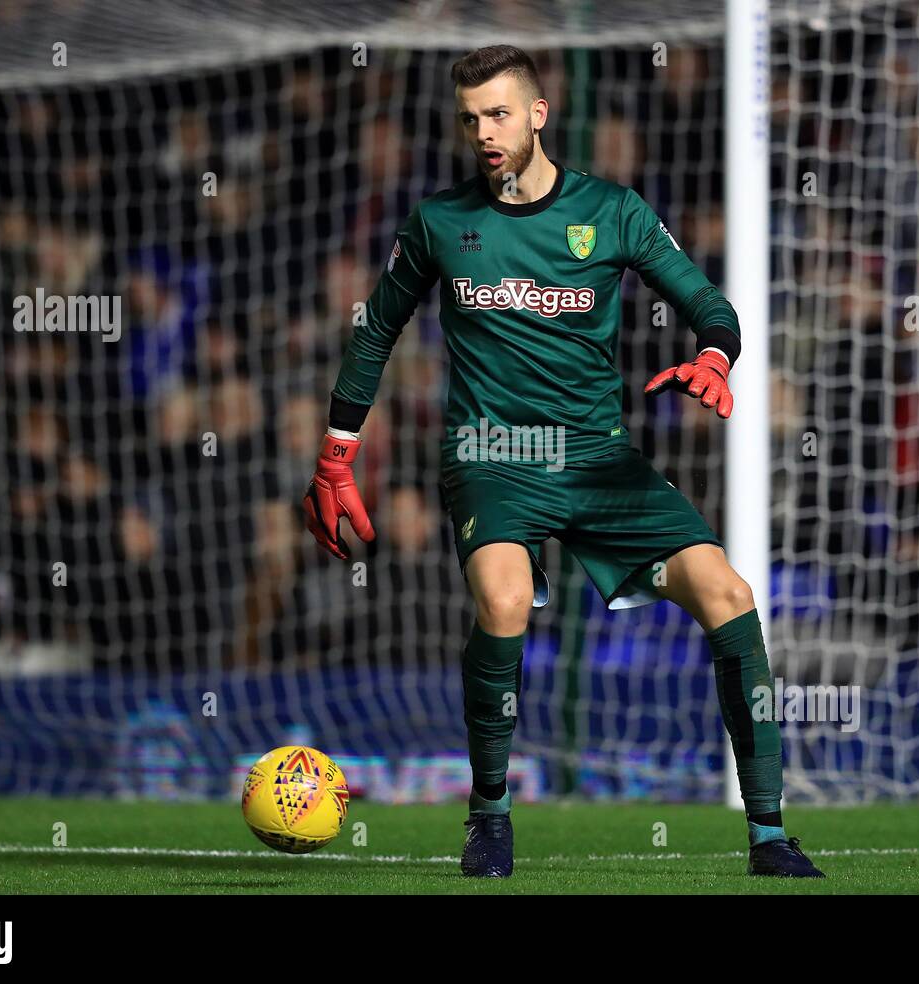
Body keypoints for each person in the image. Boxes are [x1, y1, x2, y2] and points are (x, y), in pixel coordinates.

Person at [302, 45, 822, 879]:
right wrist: (337, 455)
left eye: (500, 113)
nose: (484, 132)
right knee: (505, 602)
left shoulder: (612, 211)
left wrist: (716, 357)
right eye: (471, 118)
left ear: (538, 114)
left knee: (730, 593)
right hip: (492, 457)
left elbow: (708, 303)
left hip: (598, 460)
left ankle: (768, 835)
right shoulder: (439, 222)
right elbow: (376, 332)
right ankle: (491, 814)